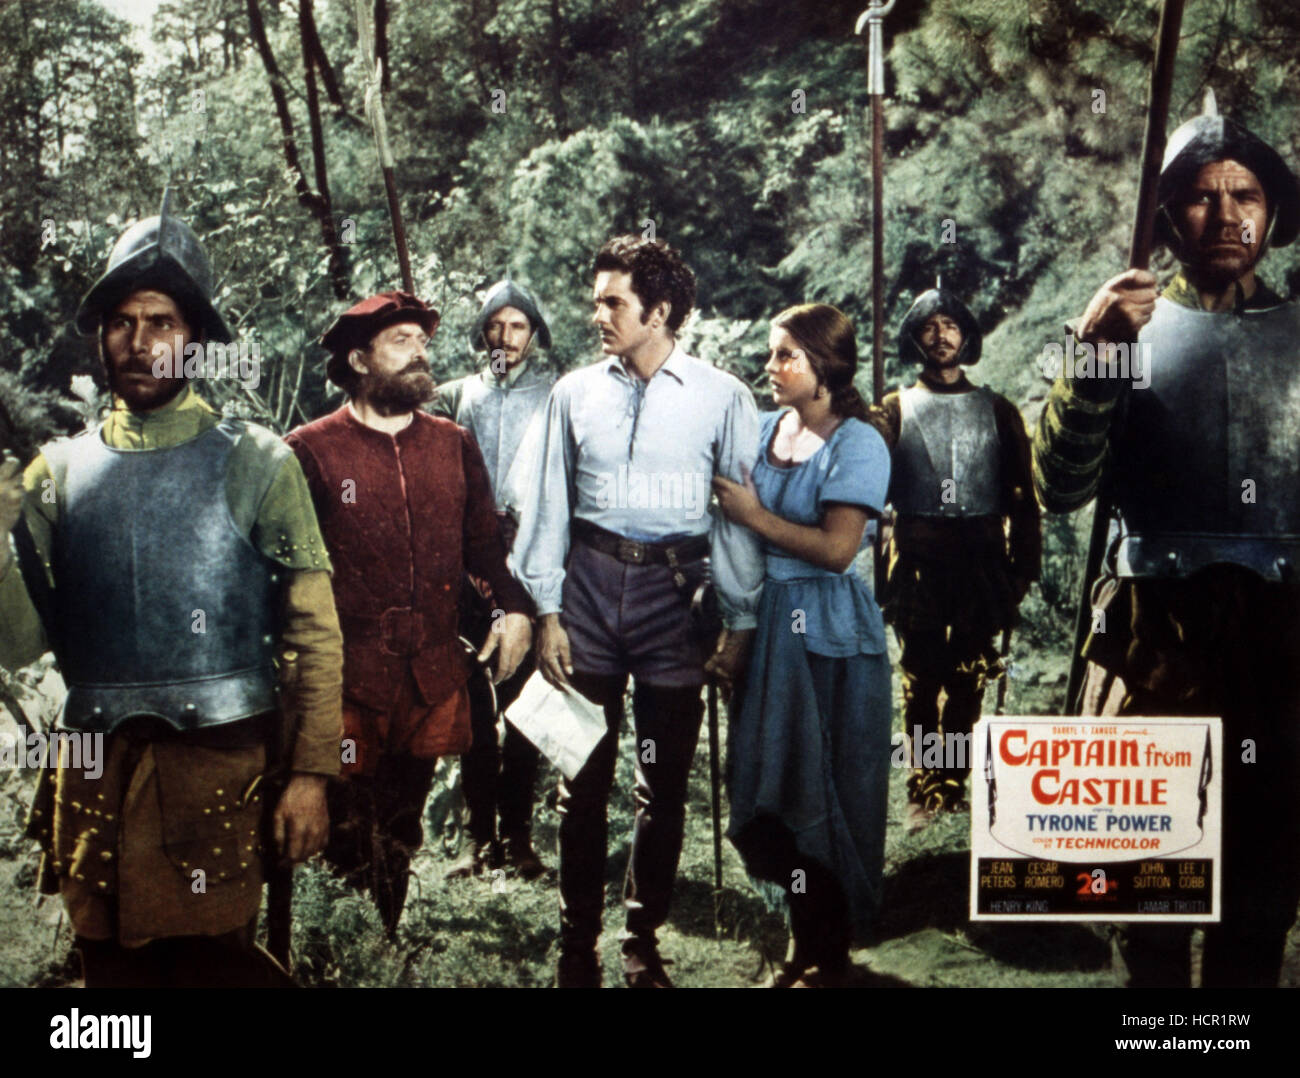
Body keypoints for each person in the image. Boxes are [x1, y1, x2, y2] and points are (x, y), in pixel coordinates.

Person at [0, 197, 343, 986]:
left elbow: (314, 635)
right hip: (91, 776)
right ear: (100, 335)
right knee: (109, 987)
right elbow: (20, 645)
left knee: (212, 969)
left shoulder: (260, 462)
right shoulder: (55, 473)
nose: (141, 341)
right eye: (122, 321)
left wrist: (310, 776)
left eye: (162, 321)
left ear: (195, 340)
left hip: (216, 777)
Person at [1032, 100, 1300, 987]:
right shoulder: (1121, 327)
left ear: (1273, 210)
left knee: (1262, 903)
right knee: (1148, 897)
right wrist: (1097, 355)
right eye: (1200, 195)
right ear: (1166, 214)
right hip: (1157, 642)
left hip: (1285, 644)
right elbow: (1059, 486)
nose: (1227, 216)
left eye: (1246, 194)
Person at [513, 234, 763, 987]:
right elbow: (545, 505)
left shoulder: (723, 397)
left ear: (659, 312)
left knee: (663, 781)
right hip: (586, 590)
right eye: (596, 300)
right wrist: (548, 612)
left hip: (674, 598)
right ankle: (574, 945)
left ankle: (640, 940)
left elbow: (737, 517)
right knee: (579, 778)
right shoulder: (573, 393)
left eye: (612, 302)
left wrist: (740, 620)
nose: (597, 315)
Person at [286, 291, 533, 935]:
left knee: (401, 824)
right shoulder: (310, 450)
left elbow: (483, 546)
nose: (421, 353)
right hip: (342, 680)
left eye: (423, 342)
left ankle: (382, 942)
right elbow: (283, 575)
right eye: (402, 342)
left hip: (427, 674)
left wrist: (511, 611)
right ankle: (336, 951)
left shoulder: (452, 445)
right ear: (360, 359)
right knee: (344, 827)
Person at [712, 303, 891, 987]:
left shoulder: (859, 443)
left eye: (785, 355)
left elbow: (840, 550)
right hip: (765, 625)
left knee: (831, 785)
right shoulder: (761, 429)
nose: (771, 366)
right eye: (770, 352)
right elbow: (725, 524)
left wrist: (756, 516)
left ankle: (829, 950)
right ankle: (801, 937)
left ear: (826, 366)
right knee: (769, 783)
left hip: (829, 634)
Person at [877, 285, 1040, 828]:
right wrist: (882, 573)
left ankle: (954, 782)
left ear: (966, 337)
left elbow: (1024, 498)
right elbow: (872, 496)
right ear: (916, 338)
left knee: (969, 673)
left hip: (980, 564)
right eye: (929, 326)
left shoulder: (997, 410)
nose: (941, 336)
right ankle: (920, 788)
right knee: (920, 677)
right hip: (919, 564)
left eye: (950, 326)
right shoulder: (895, 410)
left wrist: (1020, 573)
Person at [432, 279, 555, 879]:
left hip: (528, 565)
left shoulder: (557, 398)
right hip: (467, 568)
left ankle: (520, 838)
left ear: (534, 333)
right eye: (495, 326)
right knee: (475, 710)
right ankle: (476, 839)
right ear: (482, 331)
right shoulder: (456, 396)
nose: (505, 338)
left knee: (525, 706)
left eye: (517, 326)